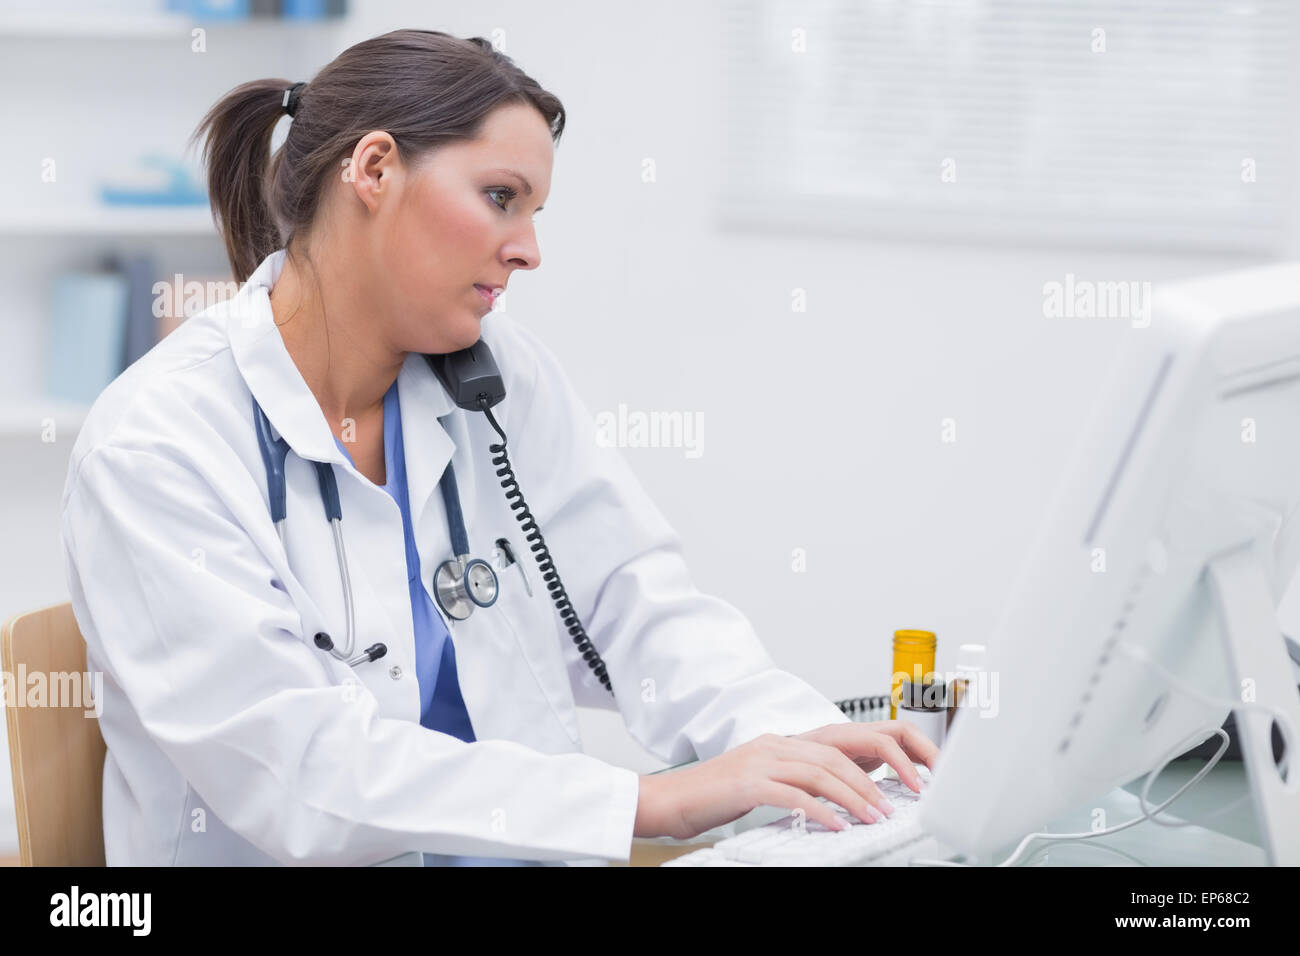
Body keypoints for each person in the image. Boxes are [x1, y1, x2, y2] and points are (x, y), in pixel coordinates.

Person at [60, 28, 938, 867]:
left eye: (534, 210)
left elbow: (638, 600)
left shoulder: (491, 378)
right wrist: (647, 804)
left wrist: (788, 738)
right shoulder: (158, 443)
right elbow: (299, 777)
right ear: (373, 169)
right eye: (500, 198)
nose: (528, 251)